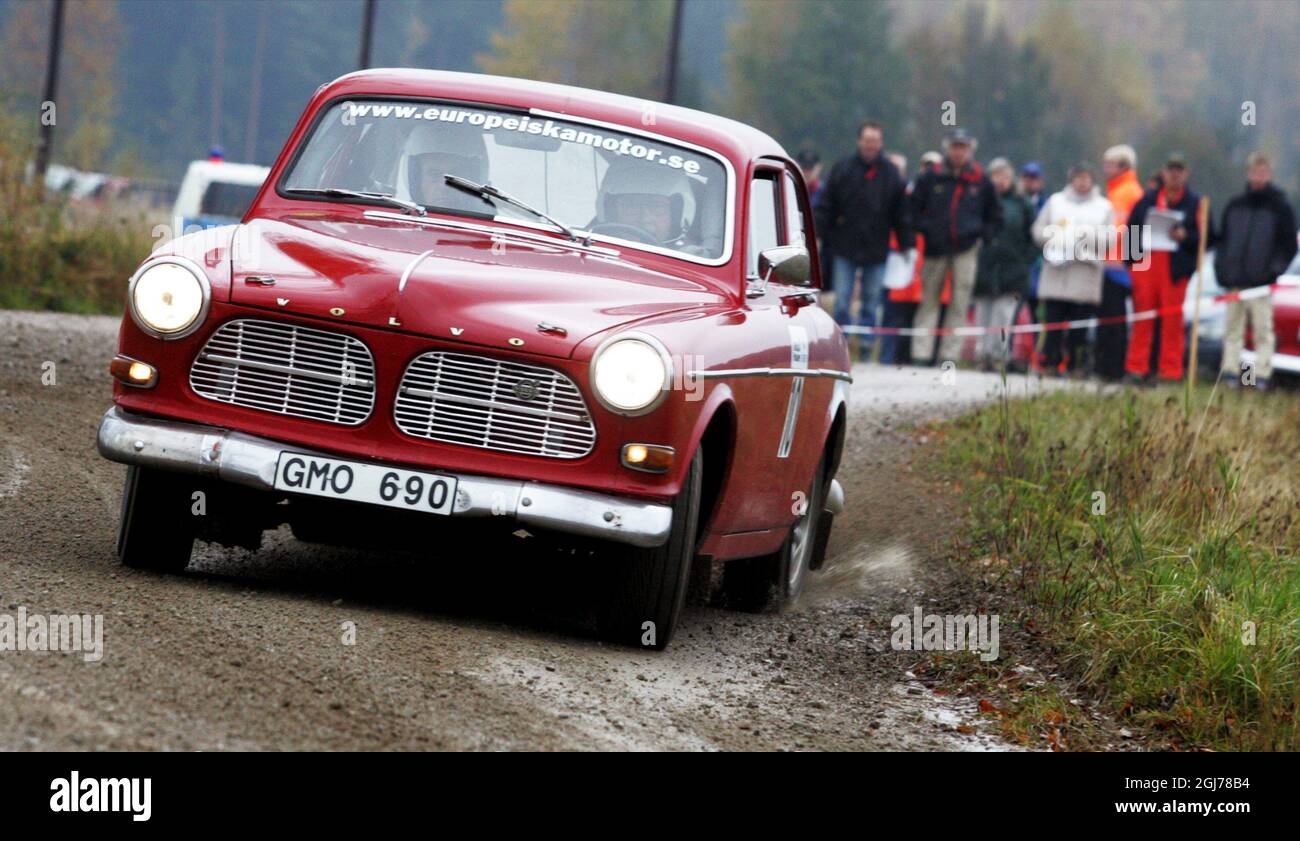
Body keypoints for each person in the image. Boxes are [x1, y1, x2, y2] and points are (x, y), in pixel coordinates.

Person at [814, 121, 913, 348]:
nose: (871, 146)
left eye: (875, 141)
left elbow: (901, 212)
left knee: (871, 302)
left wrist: (906, 243)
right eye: (868, 141)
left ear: (881, 143)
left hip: (877, 249)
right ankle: (839, 346)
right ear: (860, 141)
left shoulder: (891, 174)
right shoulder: (843, 168)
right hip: (844, 247)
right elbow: (827, 205)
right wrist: (818, 233)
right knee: (841, 301)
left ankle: (867, 348)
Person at [910, 128, 1001, 364]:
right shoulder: (931, 177)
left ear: (971, 149)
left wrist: (985, 235)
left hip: (966, 249)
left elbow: (995, 214)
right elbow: (912, 209)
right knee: (928, 300)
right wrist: (926, 229)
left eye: (964, 146)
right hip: (935, 248)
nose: (959, 151)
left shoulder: (980, 180)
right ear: (947, 148)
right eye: (955, 146)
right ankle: (921, 353)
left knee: (960, 302)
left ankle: (949, 355)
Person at [1124, 153, 1212, 384]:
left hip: (1175, 269)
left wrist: (1185, 236)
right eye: (1171, 170)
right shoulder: (1147, 199)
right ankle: (1136, 368)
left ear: (1186, 174)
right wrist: (1131, 265)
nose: (1174, 175)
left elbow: (1207, 237)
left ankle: (1170, 372)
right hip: (1147, 266)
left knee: (1172, 322)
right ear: (1164, 173)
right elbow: (1131, 229)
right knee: (1142, 319)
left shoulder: (1196, 202)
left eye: (1179, 171)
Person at [1214, 152, 1298, 391]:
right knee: (1232, 330)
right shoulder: (1235, 205)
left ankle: (1260, 375)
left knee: (1263, 331)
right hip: (1235, 281)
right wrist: (1223, 271)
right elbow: (1222, 242)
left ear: (1269, 174)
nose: (1258, 177)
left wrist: (1272, 272)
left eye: (1263, 172)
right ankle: (1230, 372)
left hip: (1261, 283)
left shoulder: (1280, 206)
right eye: (1255, 172)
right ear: (1248, 173)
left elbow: (1288, 246)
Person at [1032, 161, 1114, 375]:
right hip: (1057, 272)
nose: (1082, 183)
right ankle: (1049, 363)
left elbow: (1111, 238)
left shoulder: (1104, 206)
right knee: (1053, 323)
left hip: (1084, 274)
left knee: (1079, 326)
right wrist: (1055, 235)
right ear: (1071, 180)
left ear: (1092, 181)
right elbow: (1037, 230)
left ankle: (1076, 365)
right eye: (1078, 178)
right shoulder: (1056, 201)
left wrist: (1085, 236)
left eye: (1086, 178)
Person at [973, 158, 1036, 369]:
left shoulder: (1022, 203)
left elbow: (1034, 236)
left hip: (1012, 270)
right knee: (983, 314)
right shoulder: (980, 200)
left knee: (1003, 315)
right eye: (997, 176)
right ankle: (983, 355)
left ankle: (999, 355)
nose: (1001, 181)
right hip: (984, 268)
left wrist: (1024, 260)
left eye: (1006, 176)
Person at [1096, 144, 1145, 381]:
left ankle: (1111, 369)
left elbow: (1129, 230)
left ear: (1123, 166)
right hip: (1113, 263)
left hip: (1116, 266)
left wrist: (1127, 263)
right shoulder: (1118, 190)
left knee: (1114, 319)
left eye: (1109, 164)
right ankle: (1107, 367)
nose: (1104, 169)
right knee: (1109, 318)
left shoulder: (1127, 192)